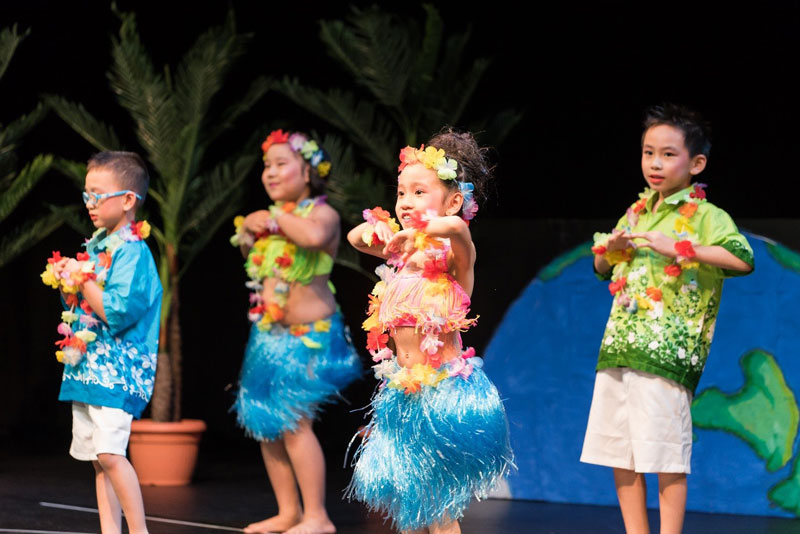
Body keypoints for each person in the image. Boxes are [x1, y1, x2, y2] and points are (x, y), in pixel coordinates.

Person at [580, 104, 754, 534]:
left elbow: (742, 258)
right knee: (620, 452)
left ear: (696, 164)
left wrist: (678, 246)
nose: (655, 163)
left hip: (667, 352)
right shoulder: (636, 212)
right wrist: (612, 249)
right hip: (621, 345)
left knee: (664, 454)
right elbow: (601, 267)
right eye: (648, 153)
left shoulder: (707, 215)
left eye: (668, 154)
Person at [345, 129, 514, 534]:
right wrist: (387, 235)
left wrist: (422, 231)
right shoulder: (402, 256)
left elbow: (458, 230)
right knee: (411, 507)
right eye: (402, 193)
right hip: (403, 393)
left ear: (453, 201)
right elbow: (355, 238)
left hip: (442, 395)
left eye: (420, 192)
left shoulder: (455, 261)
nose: (405, 202)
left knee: (438, 510)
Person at [230, 130, 362, 534]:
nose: (270, 173)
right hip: (269, 336)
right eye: (266, 166)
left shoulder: (323, 215)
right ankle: (288, 512)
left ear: (307, 172)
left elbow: (313, 238)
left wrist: (270, 219)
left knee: (294, 424)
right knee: (267, 426)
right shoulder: (271, 219)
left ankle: (317, 517)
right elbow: (253, 260)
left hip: (309, 336)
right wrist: (250, 233)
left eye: (281, 164)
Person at [40, 151, 162, 534]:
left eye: (98, 195)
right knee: (99, 459)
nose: (90, 203)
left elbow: (116, 311)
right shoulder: (97, 247)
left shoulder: (134, 252)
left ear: (127, 200)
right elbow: (81, 310)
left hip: (120, 371)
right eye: (86, 195)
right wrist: (69, 285)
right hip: (89, 367)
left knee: (110, 454)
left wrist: (82, 279)